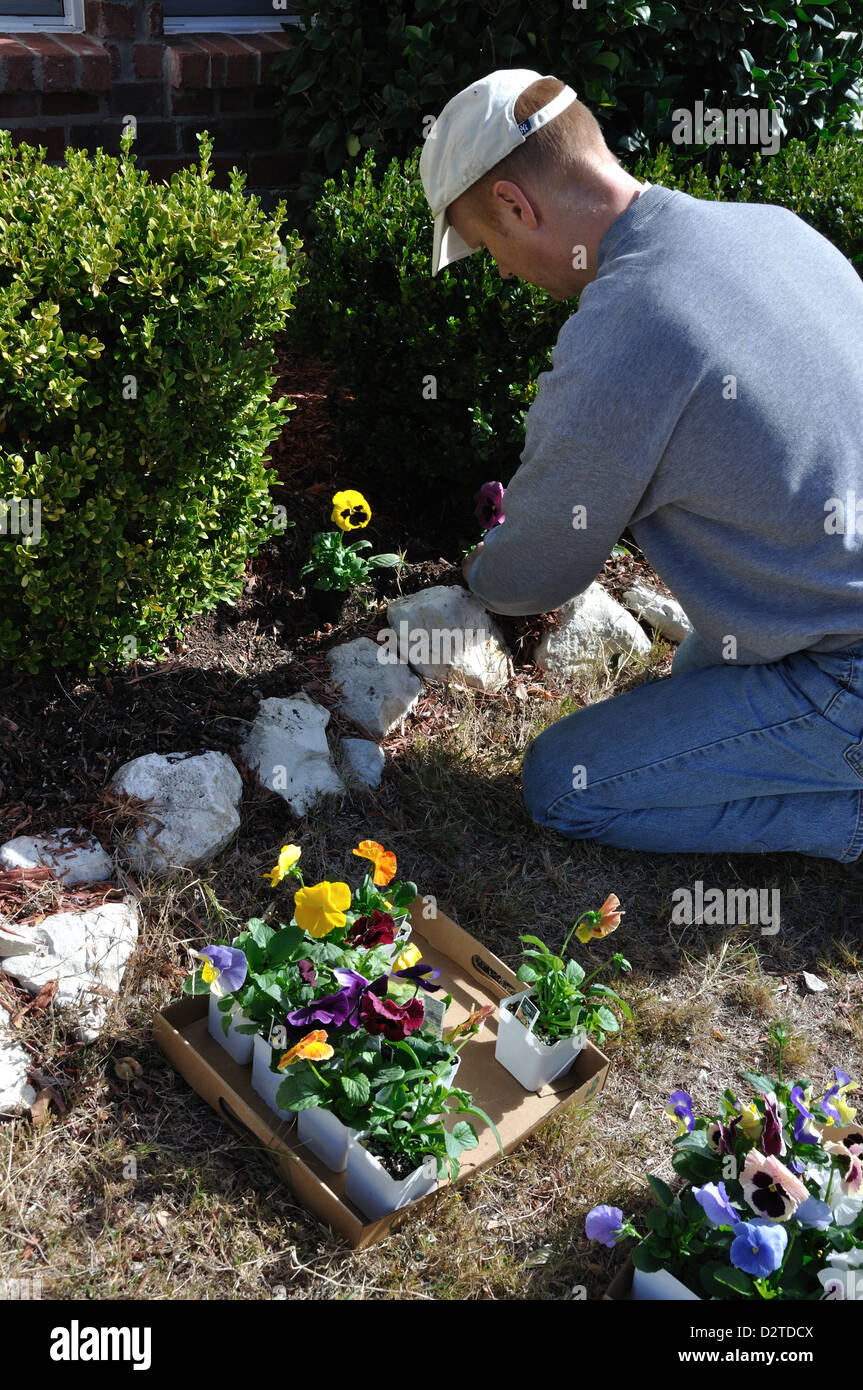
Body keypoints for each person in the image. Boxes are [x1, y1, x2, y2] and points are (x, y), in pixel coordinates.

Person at [419, 69, 863, 862]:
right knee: (699, 673)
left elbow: (535, 572)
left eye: (490, 247)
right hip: (820, 626)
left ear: (517, 207)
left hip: (843, 675)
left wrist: (474, 577)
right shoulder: (772, 227)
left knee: (563, 782)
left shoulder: (628, 327)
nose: (504, 274)